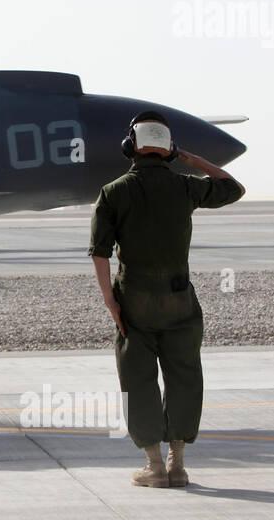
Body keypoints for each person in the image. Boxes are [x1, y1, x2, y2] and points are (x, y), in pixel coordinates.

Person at [88, 111, 245, 488]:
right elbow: (233, 188)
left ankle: (154, 466)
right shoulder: (185, 187)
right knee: (184, 377)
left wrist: (111, 303)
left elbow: (100, 253)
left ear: (132, 147)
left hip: (134, 301)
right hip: (179, 300)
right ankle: (179, 464)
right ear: (168, 149)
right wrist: (191, 160)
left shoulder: (113, 192)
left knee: (138, 380)